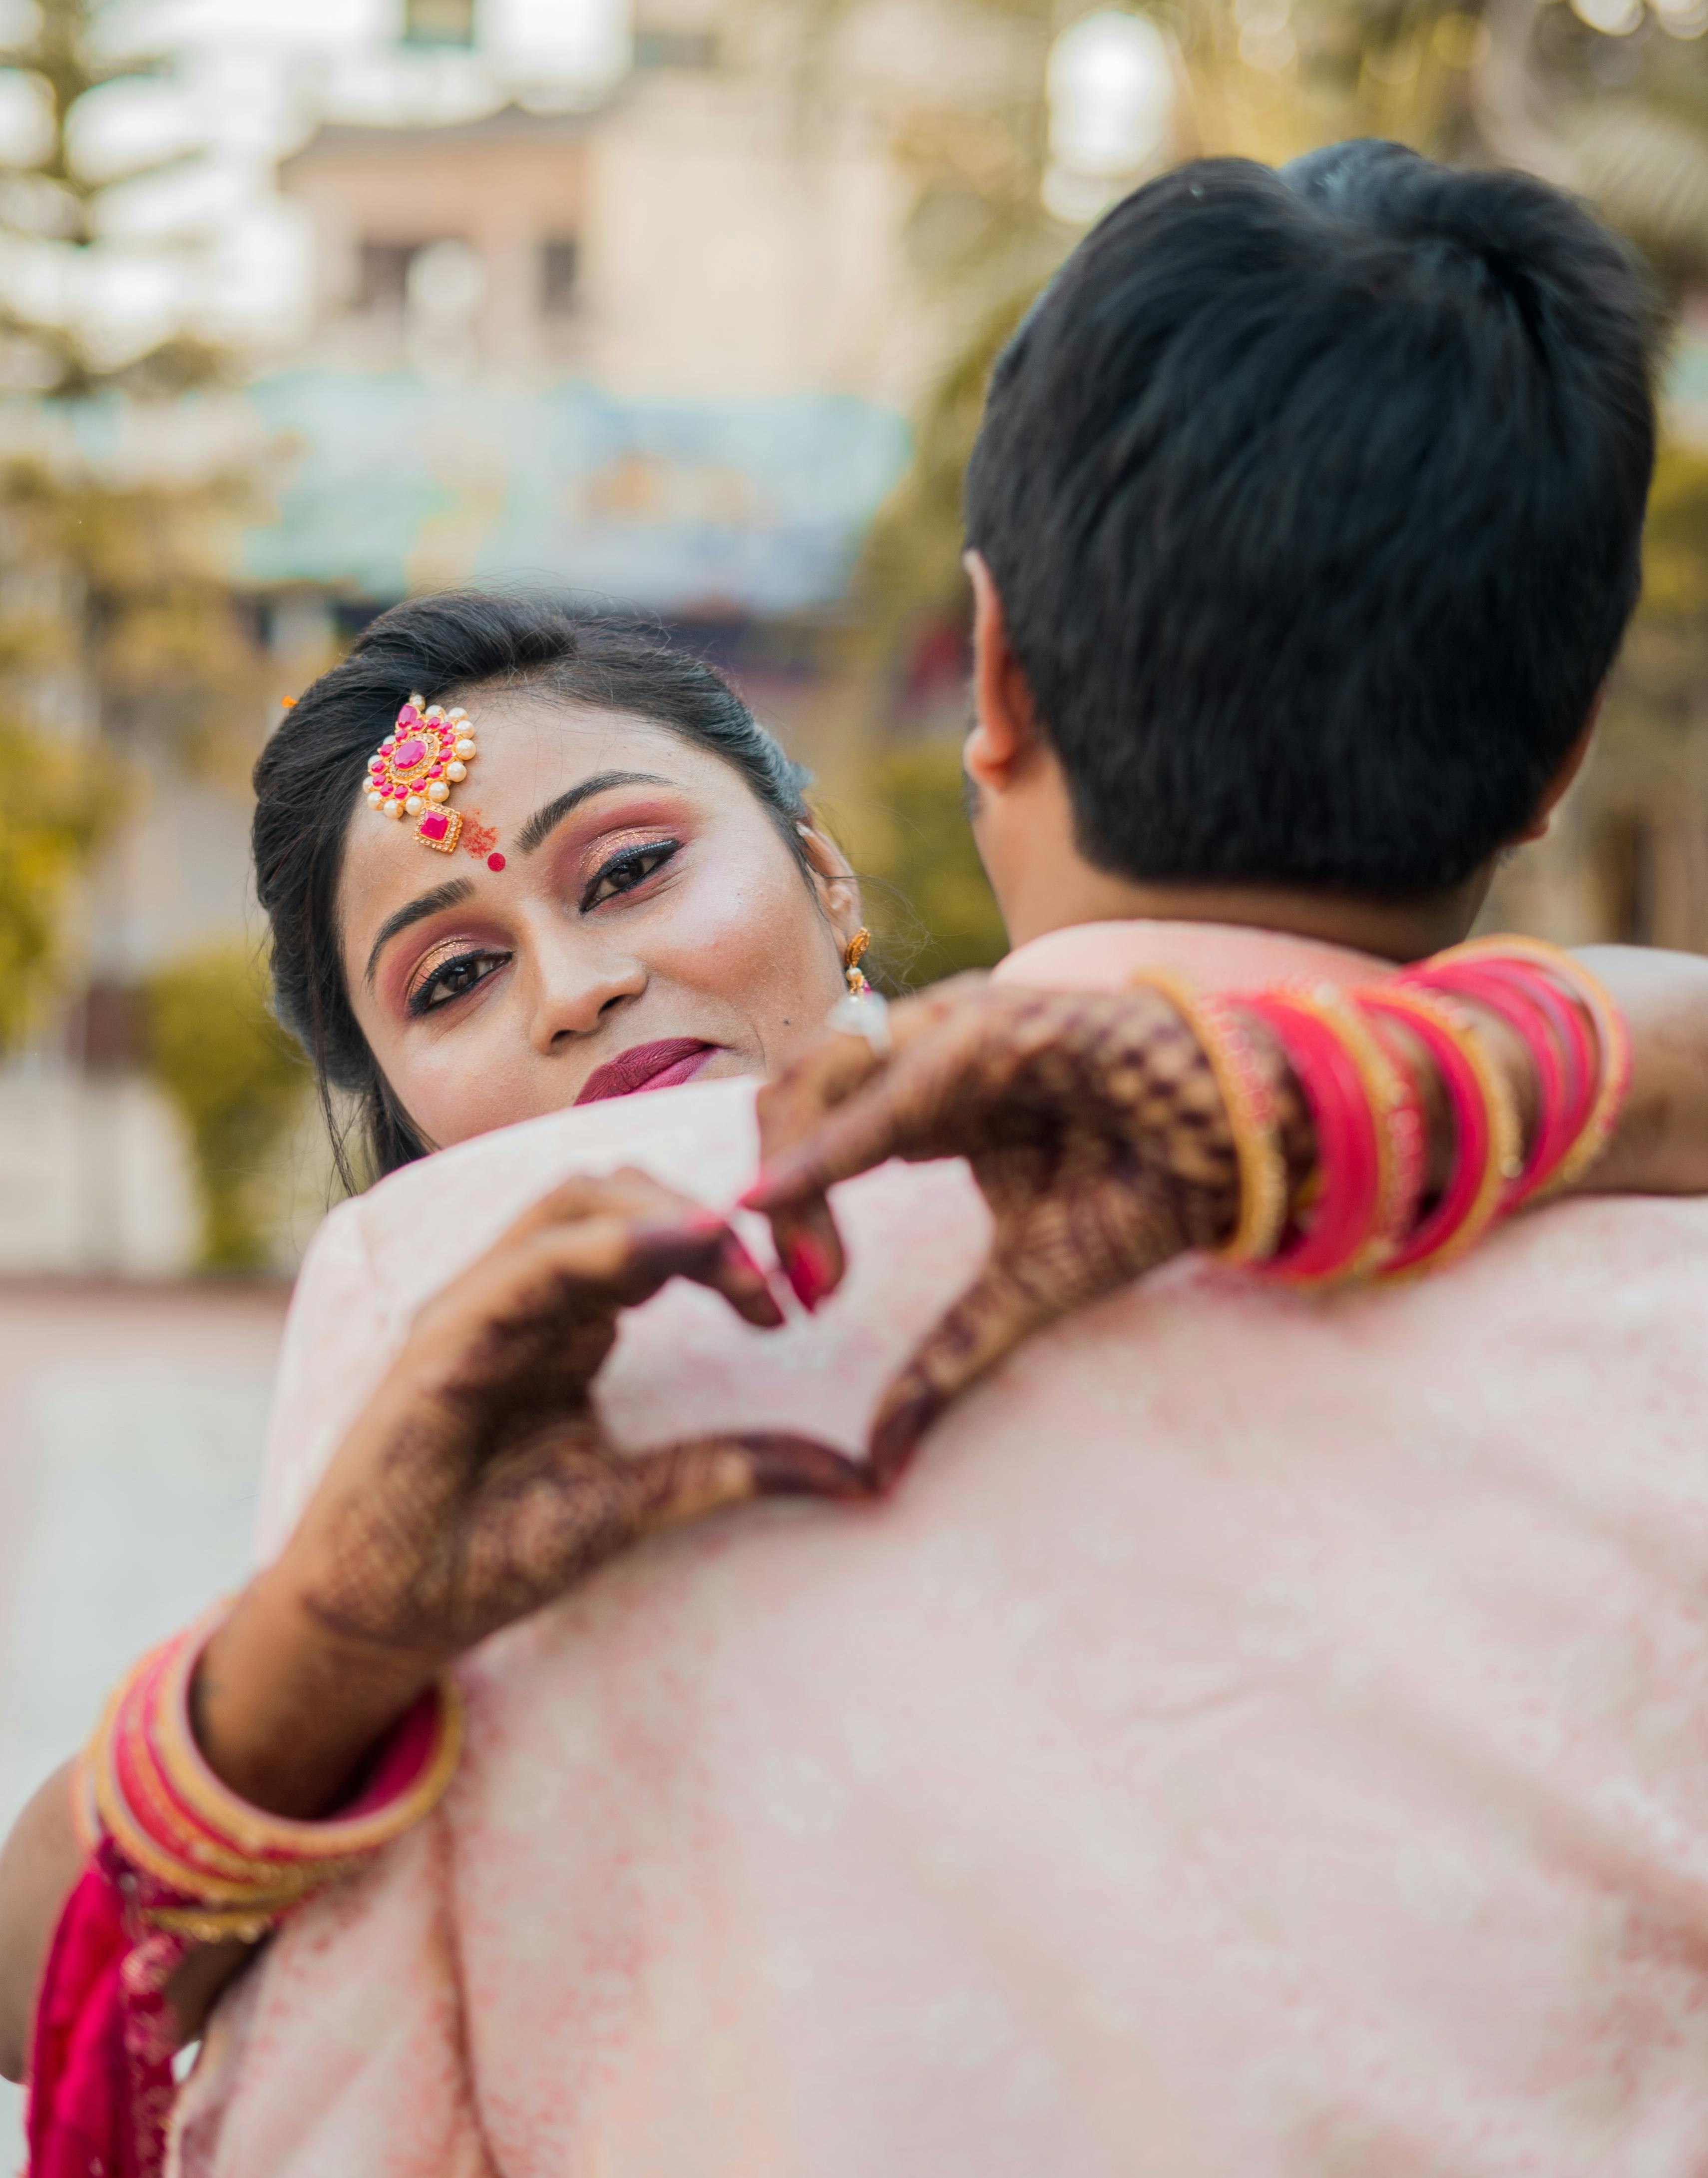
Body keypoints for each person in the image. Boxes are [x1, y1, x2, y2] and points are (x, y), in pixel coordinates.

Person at [8, 132, 1708, 2175]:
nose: (577, 984)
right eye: (450, 980)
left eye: (627, 868)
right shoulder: (475, 1390)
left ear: (849, 837)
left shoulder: (1424, 1128)